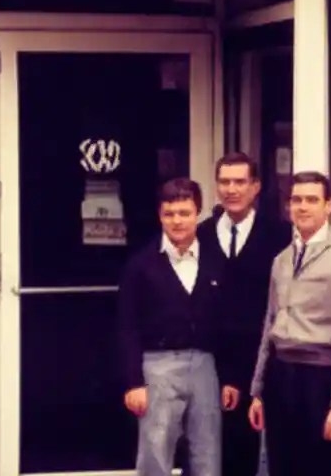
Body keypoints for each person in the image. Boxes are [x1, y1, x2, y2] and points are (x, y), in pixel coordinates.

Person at [247, 171, 331, 476]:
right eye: (296, 200)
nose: (303, 207)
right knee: (281, 467)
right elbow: (270, 325)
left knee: (318, 468)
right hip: (282, 376)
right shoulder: (281, 260)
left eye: (311, 200)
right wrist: (258, 390)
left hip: (320, 378)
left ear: (329, 206)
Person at [118, 178, 225, 476]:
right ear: (159, 215)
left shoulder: (215, 261)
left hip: (205, 364)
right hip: (158, 365)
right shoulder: (141, 265)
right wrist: (133, 382)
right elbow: (127, 326)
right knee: (156, 450)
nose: (177, 221)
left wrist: (231, 377)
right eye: (169, 214)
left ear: (198, 213)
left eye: (184, 213)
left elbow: (225, 322)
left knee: (207, 450)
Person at [197, 153, 291, 476]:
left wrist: (249, 377)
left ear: (256, 187)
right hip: (209, 365)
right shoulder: (201, 236)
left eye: (240, 181)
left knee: (247, 453)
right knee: (206, 454)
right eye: (224, 181)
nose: (231, 189)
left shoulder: (279, 237)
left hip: (258, 364)